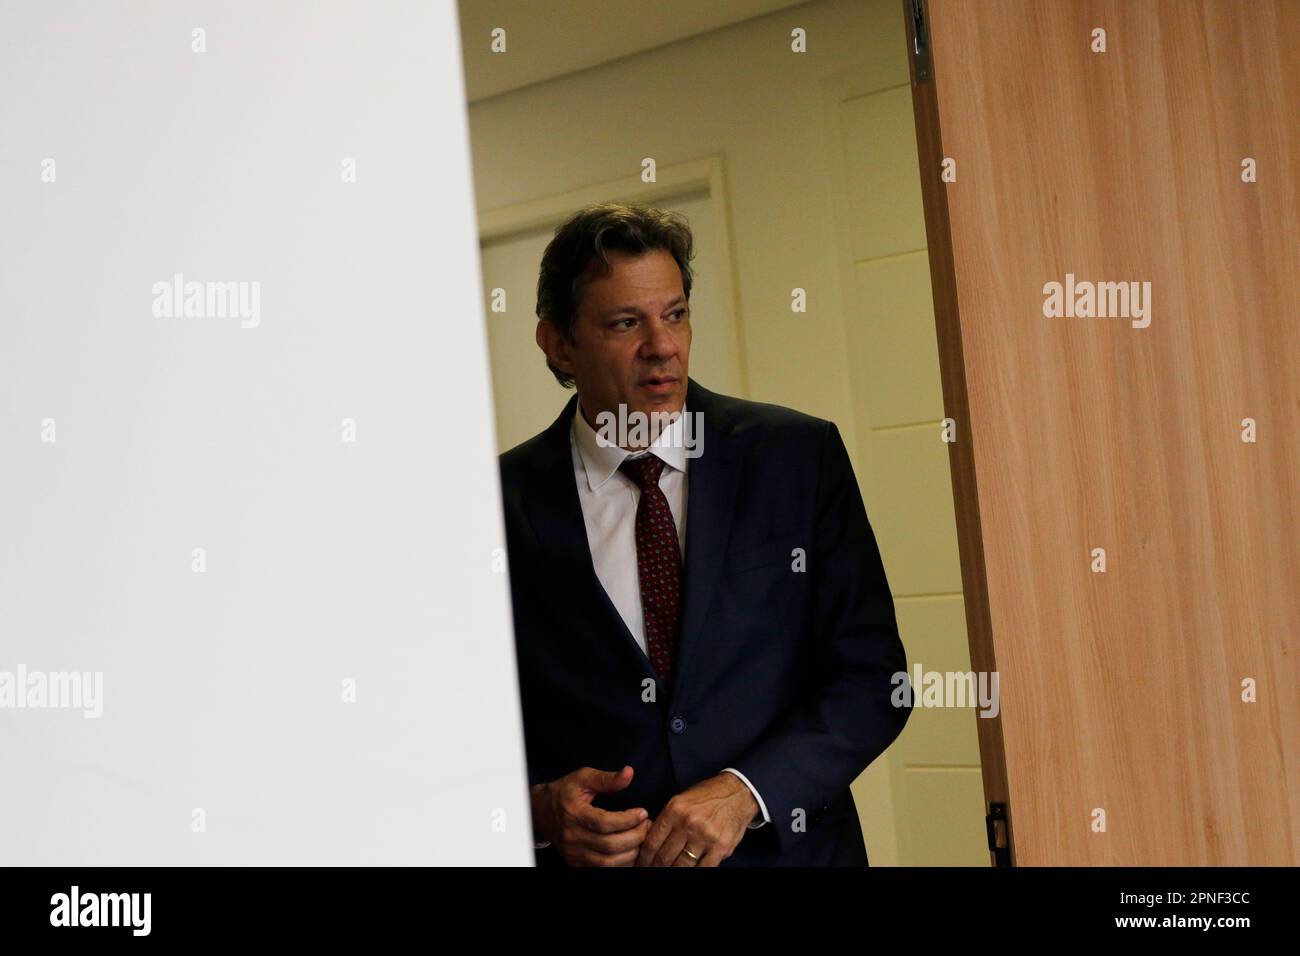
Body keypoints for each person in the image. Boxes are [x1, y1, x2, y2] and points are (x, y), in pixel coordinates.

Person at [498, 202, 911, 866]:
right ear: (558, 344)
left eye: (676, 314)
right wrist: (539, 809)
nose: (662, 346)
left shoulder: (797, 458)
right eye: (626, 322)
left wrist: (748, 790)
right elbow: (455, 729)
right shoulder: (496, 505)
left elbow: (874, 680)